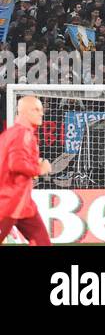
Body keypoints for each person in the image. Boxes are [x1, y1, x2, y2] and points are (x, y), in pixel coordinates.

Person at [0, 95, 52, 245]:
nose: (41, 113)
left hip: (22, 202)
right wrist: (39, 169)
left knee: (43, 242)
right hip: (8, 202)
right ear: (23, 112)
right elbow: (16, 164)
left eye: (41, 109)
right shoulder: (23, 134)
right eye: (36, 109)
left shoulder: (10, 134)